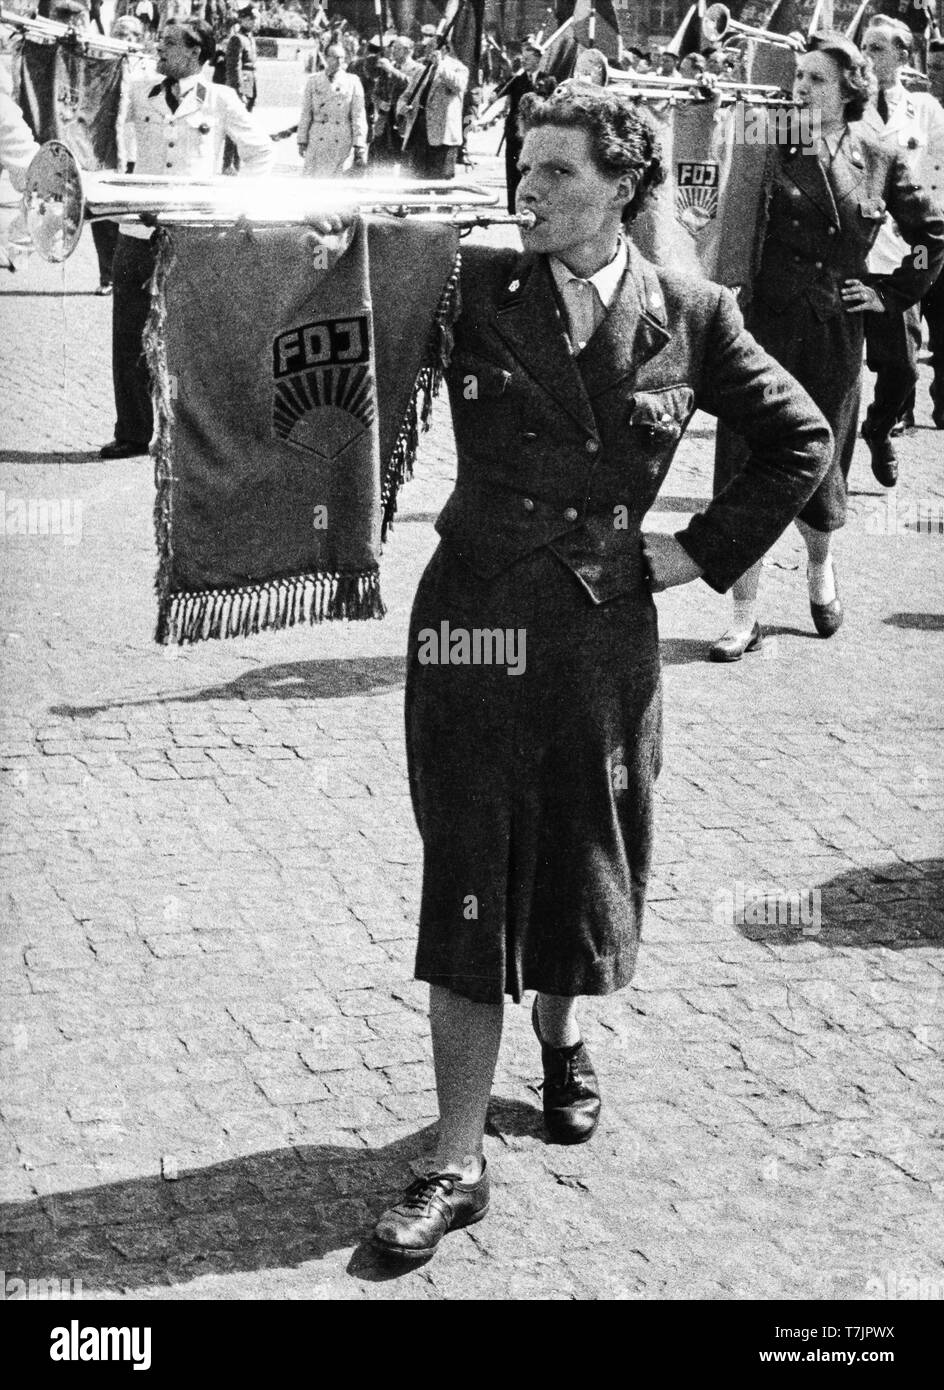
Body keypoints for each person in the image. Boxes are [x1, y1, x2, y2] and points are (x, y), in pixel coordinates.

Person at [362, 82, 833, 1261]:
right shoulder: (472, 285)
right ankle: (454, 1156)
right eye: (520, 169)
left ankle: (563, 1043)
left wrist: (690, 555)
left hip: (598, 631)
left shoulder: (693, 309)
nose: (527, 191)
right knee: (467, 870)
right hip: (470, 621)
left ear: (622, 185)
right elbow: (335, 285)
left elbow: (798, 438)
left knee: (581, 855)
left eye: (556, 173)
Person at [709, 32, 944, 660]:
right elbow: (732, 216)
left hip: (833, 332)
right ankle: (744, 614)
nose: (801, 88)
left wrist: (891, 295)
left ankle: (820, 571)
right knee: (746, 464)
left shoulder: (880, 152)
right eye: (799, 76)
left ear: (848, 89)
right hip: (761, 328)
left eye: (816, 79)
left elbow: (932, 232)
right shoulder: (769, 139)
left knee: (823, 461)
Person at [100, 19, 273, 460]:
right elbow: (112, 138)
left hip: (194, 237)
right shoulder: (139, 89)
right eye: (160, 41)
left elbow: (260, 153)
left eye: (170, 43)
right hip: (138, 230)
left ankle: (196, 434)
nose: (160, 48)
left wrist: (237, 207)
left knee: (194, 337)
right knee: (129, 334)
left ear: (197, 53)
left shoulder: (220, 98)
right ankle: (134, 432)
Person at [858, 17, 944, 452]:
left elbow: (939, 172)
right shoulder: (846, 103)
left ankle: (878, 425)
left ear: (901, 56)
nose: (867, 56)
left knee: (904, 367)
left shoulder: (926, 109)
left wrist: (927, 232)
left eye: (877, 49)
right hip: (851, 250)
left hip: (902, 249)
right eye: (864, 47)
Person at [397, 32, 468, 180]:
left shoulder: (458, 68)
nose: (427, 51)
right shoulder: (421, 70)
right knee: (417, 176)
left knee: (440, 178)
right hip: (419, 129)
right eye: (427, 47)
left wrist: (440, 65)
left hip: (442, 134)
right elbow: (407, 94)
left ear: (445, 50)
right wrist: (402, 106)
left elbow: (458, 86)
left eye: (431, 47)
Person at [297, 41, 368, 177]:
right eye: (334, 57)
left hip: (341, 136)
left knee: (335, 180)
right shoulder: (314, 81)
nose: (339, 61)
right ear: (326, 57)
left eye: (342, 57)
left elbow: (358, 114)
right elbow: (306, 112)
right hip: (317, 137)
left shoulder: (352, 81)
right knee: (312, 179)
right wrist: (302, 139)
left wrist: (359, 144)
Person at [369, 35, 420, 170]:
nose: (393, 51)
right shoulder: (388, 68)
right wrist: (379, 103)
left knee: (405, 160)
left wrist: (391, 70)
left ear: (409, 50)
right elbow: (375, 93)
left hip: (404, 119)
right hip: (386, 119)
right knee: (383, 159)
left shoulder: (418, 69)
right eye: (392, 48)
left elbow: (411, 85)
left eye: (397, 48)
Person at [222, 2, 258, 173]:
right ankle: (228, 163)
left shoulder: (250, 38)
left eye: (256, 18)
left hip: (250, 87)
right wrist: (238, 91)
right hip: (241, 88)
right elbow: (233, 67)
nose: (255, 22)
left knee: (244, 128)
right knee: (235, 127)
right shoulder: (237, 39)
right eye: (252, 18)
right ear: (243, 19)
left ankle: (237, 163)